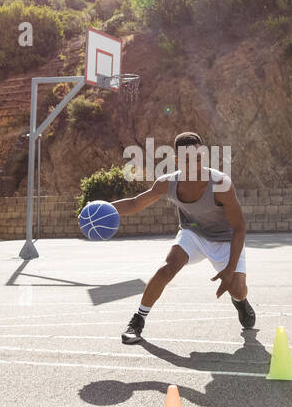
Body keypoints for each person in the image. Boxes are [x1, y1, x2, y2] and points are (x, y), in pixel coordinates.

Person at [108, 131, 254, 344]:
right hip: (193, 233)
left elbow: (239, 227)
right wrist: (102, 208)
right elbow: (135, 203)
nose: (193, 163)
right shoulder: (167, 183)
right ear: (176, 160)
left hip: (225, 238)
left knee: (238, 290)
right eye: (186, 159)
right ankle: (138, 320)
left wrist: (230, 268)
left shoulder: (220, 183)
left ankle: (240, 302)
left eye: (197, 157)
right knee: (166, 268)